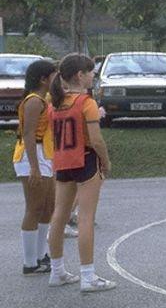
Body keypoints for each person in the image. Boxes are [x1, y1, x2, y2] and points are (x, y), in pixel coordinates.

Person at [47, 54, 116, 292]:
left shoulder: (55, 102)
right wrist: (105, 162)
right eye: (91, 72)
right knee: (86, 218)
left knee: (59, 216)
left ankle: (56, 271)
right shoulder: (85, 103)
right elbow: (95, 139)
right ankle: (88, 276)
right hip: (85, 160)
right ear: (80, 75)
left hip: (63, 161)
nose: (93, 75)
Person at [12, 59, 57, 275]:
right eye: (54, 75)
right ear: (43, 79)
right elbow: (28, 135)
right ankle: (30, 262)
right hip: (32, 155)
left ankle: (41, 254)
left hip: (45, 155)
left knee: (48, 207)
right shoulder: (33, 101)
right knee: (34, 208)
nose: (56, 78)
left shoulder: (44, 99)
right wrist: (34, 168)